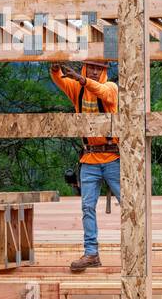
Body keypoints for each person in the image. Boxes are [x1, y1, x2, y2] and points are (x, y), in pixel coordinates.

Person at [50, 59, 119, 272]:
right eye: (92, 67)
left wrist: (82, 78)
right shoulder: (77, 89)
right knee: (87, 207)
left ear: (105, 71)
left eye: (100, 68)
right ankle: (91, 254)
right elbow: (59, 80)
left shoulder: (111, 87)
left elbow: (102, 92)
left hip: (113, 159)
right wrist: (54, 66)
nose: (96, 71)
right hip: (89, 160)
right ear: (85, 67)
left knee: (132, 205)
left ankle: (138, 250)